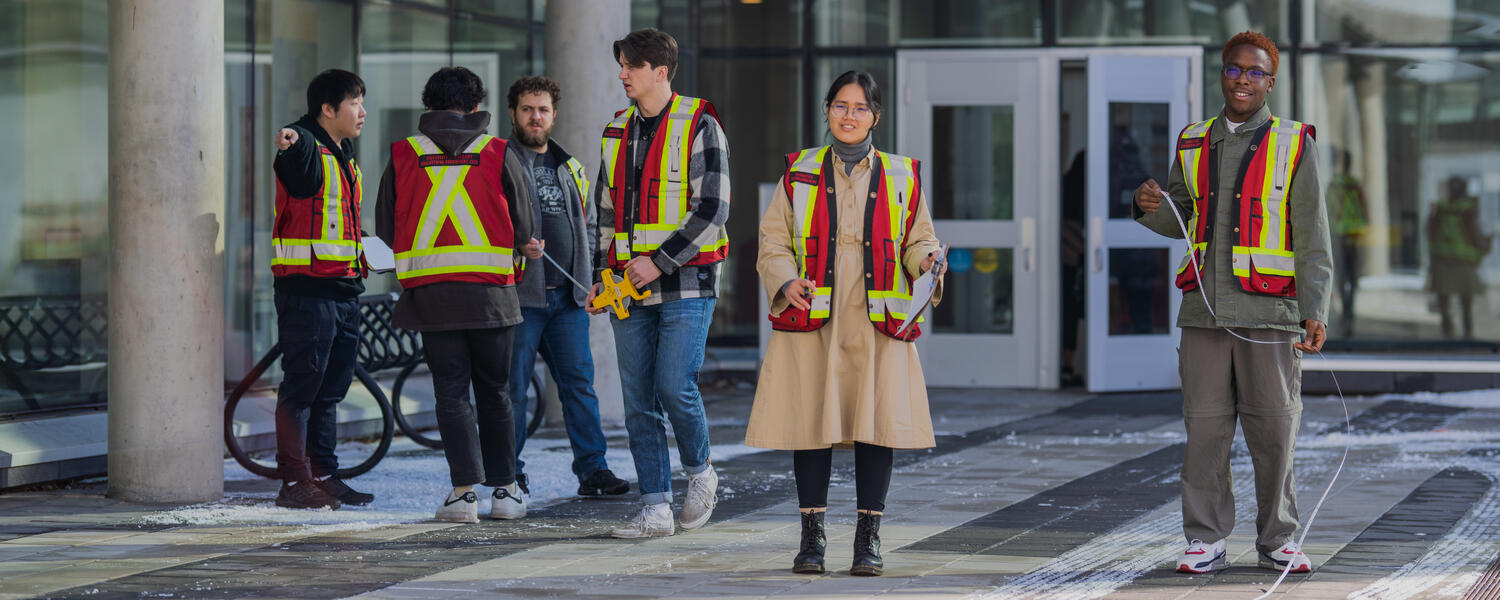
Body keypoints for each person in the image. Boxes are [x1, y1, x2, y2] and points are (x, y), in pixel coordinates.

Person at [1133, 31, 1332, 574]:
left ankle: (1278, 539)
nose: (1243, 80)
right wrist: (1145, 203)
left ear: (1270, 81)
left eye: (1255, 73)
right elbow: (1175, 216)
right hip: (1204, 311)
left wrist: (1315, 308)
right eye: (1234, 69)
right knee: (1205, 428)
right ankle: (1205, 539)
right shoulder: (1194, 140)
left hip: (1270, 312)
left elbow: (1312, 234)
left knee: (1274, 428)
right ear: (1221, 73)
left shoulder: (1295, 142)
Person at [745, 71, 945, 577]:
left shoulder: (902, 175)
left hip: (878, 316)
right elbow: (773, 243)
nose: (848, 115)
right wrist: (786, 281)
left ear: (876, 115)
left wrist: (926, 262)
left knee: (875, 425)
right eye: (840, 105)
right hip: (815, 315)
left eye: (859, 107)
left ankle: (867, 539)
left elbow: (918, 240)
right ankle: (811, 540)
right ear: (827, 110)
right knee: (812, 425)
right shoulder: (800, 170)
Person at [585, 28, 730, 538]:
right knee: (637, 399)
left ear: (659, 72)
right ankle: (655, 506)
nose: (622, 74)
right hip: (627, 287)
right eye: (622, 65)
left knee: (674, 385)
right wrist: (600, 275)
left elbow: (713, 210)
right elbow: (602, 213)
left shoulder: (699, 124)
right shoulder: (616, 130)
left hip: (686, 281)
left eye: (630, 65)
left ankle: (700, 472)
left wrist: (659, 261)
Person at [375, 66, 533, 523]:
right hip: (492, 297)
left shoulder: (404, 153)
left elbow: (387, 227)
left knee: (450, 394)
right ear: (478, 107)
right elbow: (523, 228)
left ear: (428, 106)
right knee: (496, 393)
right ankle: (505, 493)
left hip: (432, 296)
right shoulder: (499, 151)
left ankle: (463, 494)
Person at [504, 75, 630, 498]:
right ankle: (508, 474)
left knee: (580, 386)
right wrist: (515, 245)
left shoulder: (568, 164)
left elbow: (593, 226)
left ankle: (593, 471)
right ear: (513, 114)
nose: (535, 117)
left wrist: (595, 280)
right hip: (520, 298)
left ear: (554, 115)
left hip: (568, 299)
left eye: (542, 110)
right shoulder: (499, 162)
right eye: (527, 109)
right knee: (512, 391)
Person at [268, 68, 373, 510]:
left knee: (331, 390)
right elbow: (296, 160)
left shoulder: (344, 156)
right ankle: (294, 482)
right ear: (327, 110)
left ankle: (325, 474)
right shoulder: (306, 145)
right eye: (354, 103)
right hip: (307, 289)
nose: (363, 112)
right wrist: (291, 139)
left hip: (343, 289)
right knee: (302, 389)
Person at [1427, 176, 1492, 340]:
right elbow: (1474, 233)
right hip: (1463, 260)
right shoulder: (1467, 210)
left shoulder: (1440, 208)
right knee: (1466, 300)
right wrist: (1485, 244)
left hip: (1441, 258)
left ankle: (1447, 326)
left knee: (1444, 297)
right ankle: (1467, 331)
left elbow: (1429, 231)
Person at [1327, 150, 1367, 336]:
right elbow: (1364, 211)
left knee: (1344, 277)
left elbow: (1325, 211)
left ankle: (1347, 313)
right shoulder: (1355, 185)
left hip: (1340, 235)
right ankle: (1348, 312)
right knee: (1350, 277)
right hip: (1353, 235)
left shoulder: (1334, 185)